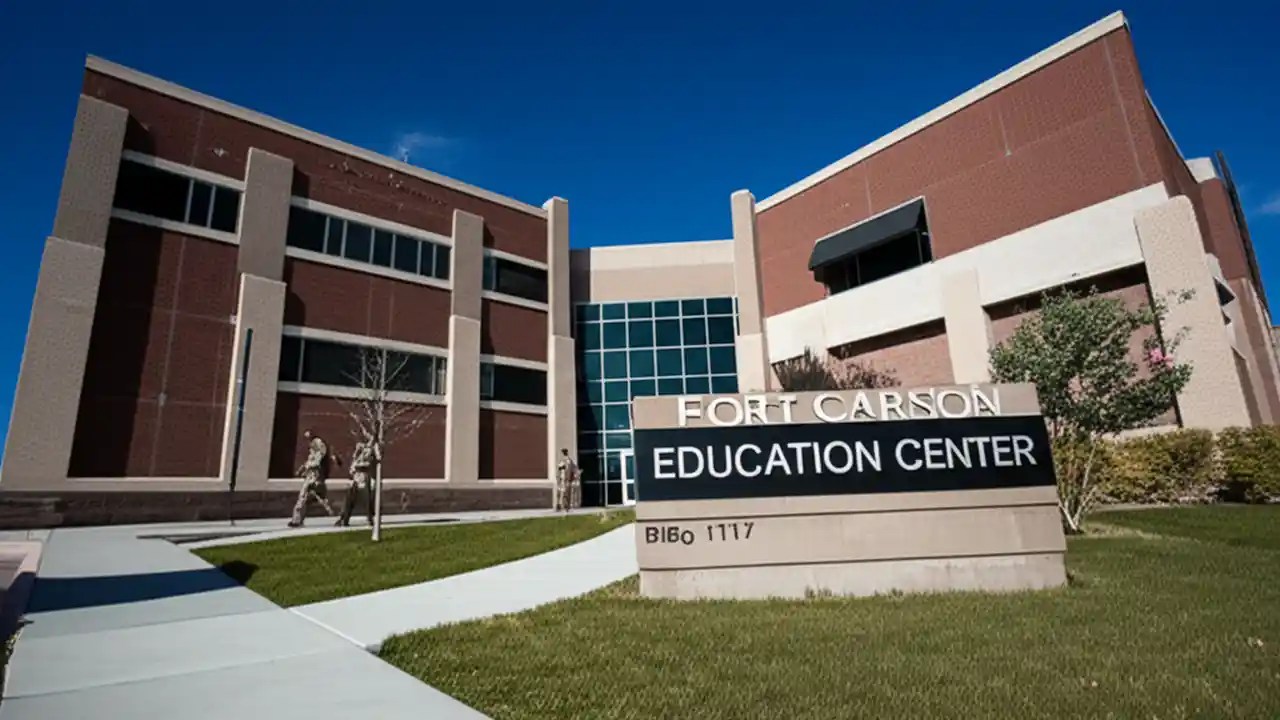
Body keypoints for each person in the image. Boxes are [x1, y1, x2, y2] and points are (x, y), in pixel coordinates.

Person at [288, 430, 334, 527]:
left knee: (303, 496)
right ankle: (298, 520)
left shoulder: (318, 446)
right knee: (307, 498)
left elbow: (317, 462)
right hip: (312, 477)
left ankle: (297, 520)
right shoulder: (313, 452)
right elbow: (310, 462)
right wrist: (302, 469)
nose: (309, 443)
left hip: (314, 477)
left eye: (309, 439)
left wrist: (307, 467)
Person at [337, 437, 376, 527]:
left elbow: (367, 464)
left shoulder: (369, 453)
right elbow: (353, 467)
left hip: (365, 479)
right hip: (356, 479)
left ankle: (370, 519)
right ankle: (344, 519)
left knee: (367, 500)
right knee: (349, 500)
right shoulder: (357, 456)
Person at [555, 448, 580, 512]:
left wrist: (575, 474)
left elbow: (574, 469)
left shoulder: (569, 461)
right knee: (560, 493)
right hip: (562, 479)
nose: (564, 453)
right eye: (564, 452)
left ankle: (566, 505)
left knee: (566, 493)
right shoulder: (562, 461)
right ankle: (560, 505)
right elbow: (559, 469)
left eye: (565, 452)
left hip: (566, 479)